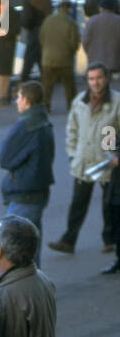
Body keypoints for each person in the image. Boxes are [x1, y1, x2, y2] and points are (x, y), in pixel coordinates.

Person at [48, 64, 120, 255]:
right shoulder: (80, 101)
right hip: (84, 161)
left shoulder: (116, 102)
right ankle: (69, 240)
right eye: (91, 79)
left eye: (99, 78)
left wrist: (116, 155)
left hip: (107, 161)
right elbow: (72, 129)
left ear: (106, 78)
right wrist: (73, 153)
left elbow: (115, 133)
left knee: (108, 205)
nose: (95, 82)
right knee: (78, 203)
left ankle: (109, 240)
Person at [0, 81, 54, 255]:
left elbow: (4, 158)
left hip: (25, 192)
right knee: (31, 248)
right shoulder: (43, 121)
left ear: (26, 100)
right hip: (38, 190)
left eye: (19, 97)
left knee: (10, 250)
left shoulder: (26, 125)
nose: (17, 101)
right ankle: (33, 282)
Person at [39, 0, 80, 112]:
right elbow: (74, 42)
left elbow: (41, 38)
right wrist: (71, 52)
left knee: (47, 86)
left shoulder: (48, 20)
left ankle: (45, 106)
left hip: (48, 59)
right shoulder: (71, 22)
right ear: (69, 9)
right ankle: (71, 107)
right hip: (65, 59)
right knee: (69, 86)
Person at [19, 0, 52, 82]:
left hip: (34, 32)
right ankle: (47, 79)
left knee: (28, 59)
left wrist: (26, 27)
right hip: (46, 31)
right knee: (41, 57)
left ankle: (23, 82)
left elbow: (26, 19)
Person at [82, 2, 120, 76]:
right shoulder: (118, 20)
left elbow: (85, 41)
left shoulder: (92, 20)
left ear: (101, 8)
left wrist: (90, 53)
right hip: (115, 61)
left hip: (96, 60)